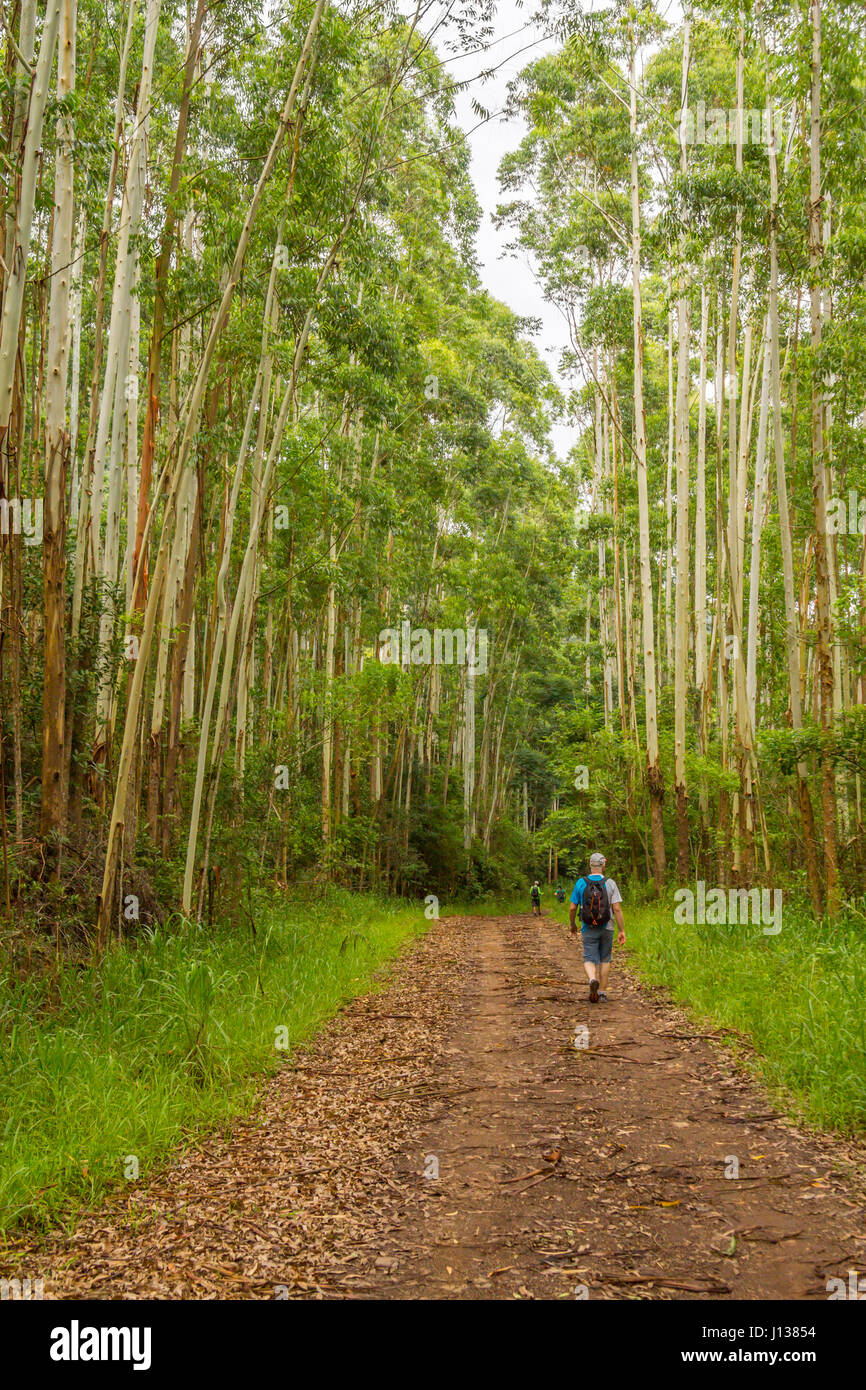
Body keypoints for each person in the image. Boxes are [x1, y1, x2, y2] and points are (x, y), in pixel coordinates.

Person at [569, 852, 625, 1002]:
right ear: (603, 865)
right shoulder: (610, 883)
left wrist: (573, 924)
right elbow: (617, 908)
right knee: (605, 959)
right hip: (607, 926)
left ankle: (592, 979)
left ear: (590, 865)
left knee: (588, 957)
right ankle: (602, 993)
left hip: (588, 926)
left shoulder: (581, 883)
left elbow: (572, 908)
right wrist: (621, 930)